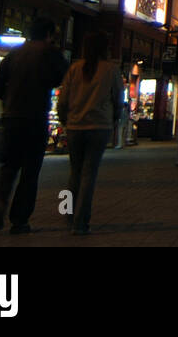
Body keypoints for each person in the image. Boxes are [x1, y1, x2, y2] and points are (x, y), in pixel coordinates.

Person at [0, 16, 68, 234]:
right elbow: (63, 77)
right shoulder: (50, 53)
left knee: (9, 165)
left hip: (12, 117)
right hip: (35, 117)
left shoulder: (16, 53)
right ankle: (19, 219)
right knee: (30, 170)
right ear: (49, 34)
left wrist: (8, 98)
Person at [56, 32, 124, 236]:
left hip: (75, 126)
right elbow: (119, 99)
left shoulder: (75, 68)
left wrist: (65, 120)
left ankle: (67, 215)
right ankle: (80, 222)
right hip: (99, 126)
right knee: (88, 175)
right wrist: (113, 118)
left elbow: (63, 100)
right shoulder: (111, 70)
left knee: (74, 173)